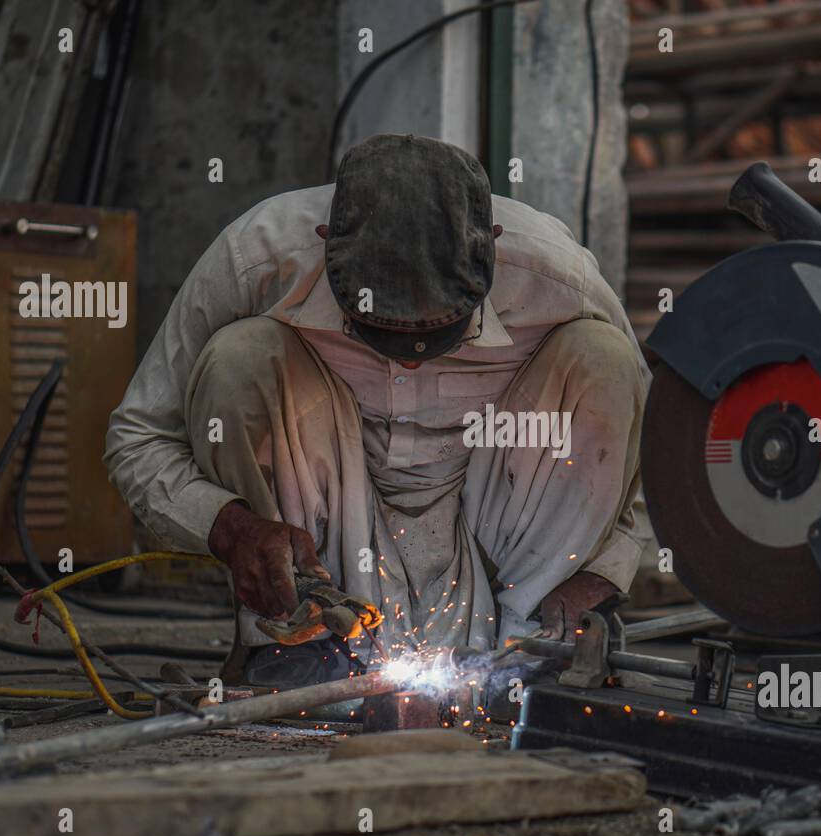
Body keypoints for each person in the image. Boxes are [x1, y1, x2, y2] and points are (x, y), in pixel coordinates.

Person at [105, 133, 650, 687]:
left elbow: (652, 450)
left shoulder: (559, 276)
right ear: (325, 244)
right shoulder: (257, 258)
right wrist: (231, 527)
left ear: (494, 246)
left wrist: (603, 574)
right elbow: (139, 437)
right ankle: (301, 638)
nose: (410, 360)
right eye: (383, 334)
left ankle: (532, 642)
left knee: (604, 359)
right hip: (326, 533)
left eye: (437, 333)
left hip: (499, 519)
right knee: (240, 357)